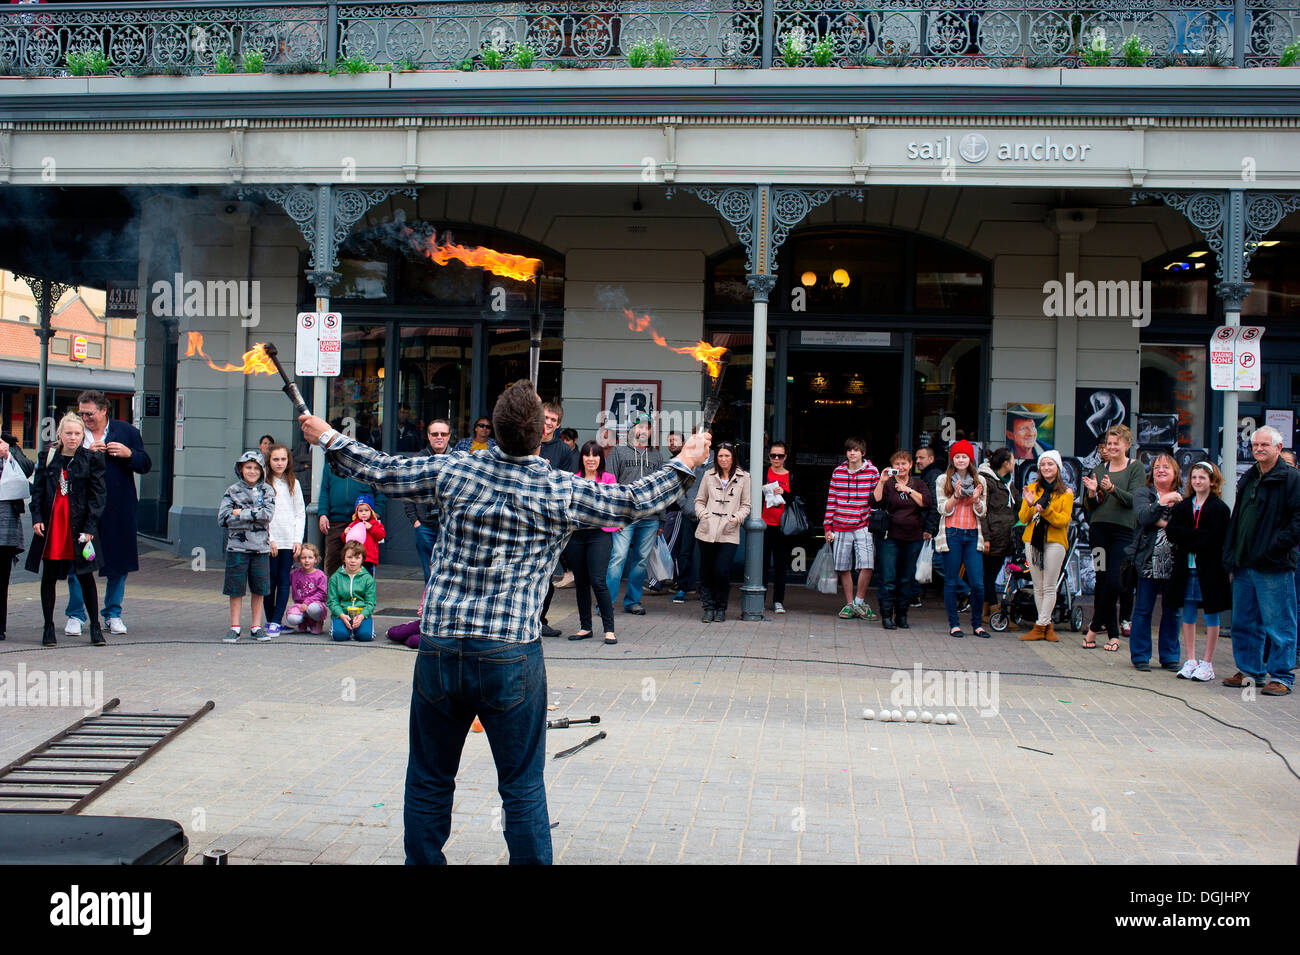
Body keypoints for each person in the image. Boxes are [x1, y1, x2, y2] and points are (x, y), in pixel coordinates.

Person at [298, 379, 710, 864]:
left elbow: (385, 470)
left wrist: (328, 436)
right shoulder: (560, 489)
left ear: (492, 429)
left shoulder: (456, 468)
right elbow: (634, 502)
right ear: (541, 437)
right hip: (509, 655)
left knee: (430, 778)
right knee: (521, 786)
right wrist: (686, 462)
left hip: (442, 647)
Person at [64, 390, 151, 638]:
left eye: (89, 413)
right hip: (83, 508)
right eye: (81, 413)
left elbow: (145, 464)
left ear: (104, 410)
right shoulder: (75, 432)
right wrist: (85, 453)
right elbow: (60, 461)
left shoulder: (127, 432)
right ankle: (76, 615)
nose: (85, 418)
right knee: (79, 563)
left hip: (119, 506)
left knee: (117, 563)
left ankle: (112, 614)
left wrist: (129, 454)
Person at [1221, 425, 1299, 696]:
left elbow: (1298, 522)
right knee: (1244, 622)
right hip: (1244, 564)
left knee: (1279, 624)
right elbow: (1238, 518)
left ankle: (1281, 676)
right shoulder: (1250, 477)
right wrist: (1230, 554)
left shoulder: (1291, 478)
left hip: (1273, 565)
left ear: (1279, 448)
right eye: (1255, 445)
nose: (1259, 448)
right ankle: (1250, 671)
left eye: (1265, 445)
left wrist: (1274, 548)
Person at [28, 413, 106, 648]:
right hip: (53, 526)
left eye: (77, 433)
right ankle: (48, 626)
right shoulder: (47, 457)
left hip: (79, 525)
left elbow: (98, 496)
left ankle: (95, 626)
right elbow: (38, 491)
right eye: (68, 433)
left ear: (83, 436)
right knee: (49, 576)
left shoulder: (91, 459)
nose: (73, 438)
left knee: (85, 575)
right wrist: (37, 518)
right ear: (60, 434)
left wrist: (91, 527)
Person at [1081, 424, 1145, 652]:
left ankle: (1096, 627)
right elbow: (1089, 505)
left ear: (1127, 445)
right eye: (1109, 443)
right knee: (1101, 578)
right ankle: (1111, 634)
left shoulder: (1135, 468)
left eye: (1116, 443)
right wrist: (1091, 493)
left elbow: (1134, 501)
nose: (1111, 447)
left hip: (1123, 532)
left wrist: (1111, 490)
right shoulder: (1098, 470)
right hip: (1099, 531)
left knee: (1114, 581)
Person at [1166, 462, 1231, 683]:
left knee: (1211, 613)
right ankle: (1191, 659)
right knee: (1188, 612)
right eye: (1194, 477)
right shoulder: (1183, 507)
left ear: (1212, 481)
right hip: (1186, 569)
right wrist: (1196, 536)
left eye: (1202, 477)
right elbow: (1173, 532)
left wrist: (1189, 537)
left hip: (1210, 569)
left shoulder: (1220, 509)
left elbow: (1214, 538)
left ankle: (1207, 662)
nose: (1197, 481)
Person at [1125, 453, 1183, 670]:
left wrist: (1161, 521)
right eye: (1157, 467)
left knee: (1172, 611)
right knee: (1143, 609)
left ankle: (1169, 656)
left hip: (1175, 561)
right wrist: (1162, 502)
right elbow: (1143, 517)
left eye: (1166, 467)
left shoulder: (1184, 495)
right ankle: (1140, 656)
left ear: (1175, 472)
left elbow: (1183, 524)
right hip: (1148, 559)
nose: (1160, 470)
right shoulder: (1144, 493)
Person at [605, 416, 666, 616]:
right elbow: (610, 484)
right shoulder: (618, 451)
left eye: (647, 428)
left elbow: (661, 489)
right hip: (625, 516)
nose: (642, 431)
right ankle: (607, 603)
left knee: (640, 561)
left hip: (650, 518)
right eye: (639, 427)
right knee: (617, 558)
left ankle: (632, 601)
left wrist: (661, 518)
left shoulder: (656, 456)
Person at [563, 441, 618, 644]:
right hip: (577, 536)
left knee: (598, 581)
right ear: (582, 458)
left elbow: (613, 504)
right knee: (581, 583)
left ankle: (609, 629)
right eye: (587, 455)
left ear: (601, 459)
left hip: (599, 535)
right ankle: (585, 627)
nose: (591, 459)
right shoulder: (573, 479)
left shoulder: (608, 479)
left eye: (595, 455)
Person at [872, 449, 932, 629]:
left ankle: (902, 614)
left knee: (906, 578)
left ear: (911, 465)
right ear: (892, 466)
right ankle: (886, 615)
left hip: (913, 538)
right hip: (889, 537)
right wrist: (881, 481)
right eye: (897, 464)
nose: (901, 467)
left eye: (904, 463)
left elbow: (927, 503)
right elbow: (875, 502)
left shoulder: (919, 484)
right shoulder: (888, 483)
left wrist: (908, 490)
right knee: (888, 577)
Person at [219, 450, 274, 643]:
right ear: (241, 469)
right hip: (237, 548)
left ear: (262, 471)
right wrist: (253, 515)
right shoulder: (231, 491)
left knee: (259, 589)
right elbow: (224, 518)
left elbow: (267, 515)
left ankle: (256, 626)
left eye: (256, 468)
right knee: (235, 589)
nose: (252, 471)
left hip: (261, 548)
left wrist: (240, 512)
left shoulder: (268, 490)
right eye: (248, 467)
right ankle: (234, 627)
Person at [1018, 450, 1073, 642]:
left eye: (1050, 464)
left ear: (1057, 468)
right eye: (1043, 465)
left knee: (1050, 586)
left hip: (1055, 542)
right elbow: (1023, 518)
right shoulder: (1032, 488)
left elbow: (1062, 521)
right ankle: (1047, 626)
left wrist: (1045, 510)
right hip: (1033, 541)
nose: (1046, 468)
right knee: (1038, 586)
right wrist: (1030, 504)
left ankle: (1039, 626)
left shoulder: (1066, 493)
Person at [935, 439, 988, 637]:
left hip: (973, 534)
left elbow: (982, 512)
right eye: (957, 456)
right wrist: (956, 497)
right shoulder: (943, 480)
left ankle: (977, 624)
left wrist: (975, 500)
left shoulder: (980, 481)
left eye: (964, 456)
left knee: (977, 583)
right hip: (952, 533)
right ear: (952, 459)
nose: (960, 460)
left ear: (970, 459)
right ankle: (954, 625)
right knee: (950, 580)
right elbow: (942, 509)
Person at [694, 441, 750, 623]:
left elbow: (746, 505)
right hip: (707, 530)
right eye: (720, 456)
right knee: (707, 571)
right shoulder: (708, 475)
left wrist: (736, 518)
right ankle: (708, 607)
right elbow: (699, 500)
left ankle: (721, 607)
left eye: (727, 456)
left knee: (722, 571)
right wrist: (704, 516)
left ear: (733, 457)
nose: (723, 459)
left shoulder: (744, 477)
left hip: (729, 530)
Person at [825, 436, 880, 621]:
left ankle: (858, 601)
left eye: (856, 450)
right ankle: (850, 604)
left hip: (863, 524)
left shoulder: (872, 472)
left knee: (867, 564)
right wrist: (827, 526)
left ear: (863, 453)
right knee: (843, 567)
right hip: (840, 525)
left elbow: (876, 500)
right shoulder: (838, 472)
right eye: (849, 450)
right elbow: (832, 499)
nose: (852, 453)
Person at [537, 402, 580, 636]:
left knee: (547, 575)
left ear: (559, 424)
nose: (548, 423)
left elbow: (568, 483)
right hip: (524, 518)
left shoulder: (563, 451)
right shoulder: (526, 443)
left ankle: (540, 619)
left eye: (553, 420)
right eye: (545, 418)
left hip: (549, 522)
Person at [318, 460, 386, 577]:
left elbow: (381, 490)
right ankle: (334, 593)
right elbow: (325, 490)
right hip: (335, 522)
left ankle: (360, 593)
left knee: (362, 562)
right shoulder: (331, 465)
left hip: (363, 523)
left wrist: (376, 513)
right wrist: (323, 513)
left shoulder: (368, 465)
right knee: (333, 561)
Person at [264, 443, 305, 636]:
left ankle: (276, 621)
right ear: (269, 461)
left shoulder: (293, 483)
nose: (279, 463)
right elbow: (263, 515)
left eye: (283, 459)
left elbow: (300, 513)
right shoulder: (264, 483)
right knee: (268, 581)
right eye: (275, 459)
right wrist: (269, 539)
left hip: (288, 541)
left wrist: (297, 539)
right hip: (270, 542)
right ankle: (270, 619)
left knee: (283, 581)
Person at [404, 419, 450, 584]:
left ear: (449, 436)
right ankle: (429, 606)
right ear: (428, 437)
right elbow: (407, 492)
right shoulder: (417, 460)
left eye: (443, 434)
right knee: (429, 570)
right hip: (425, 526)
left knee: (449, 571)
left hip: (449, 527)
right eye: (435, 434)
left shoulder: (456, 460)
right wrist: (415, 521)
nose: (439, 437)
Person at [978, 448, 1020, 623]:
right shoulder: (987, 481)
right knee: (988, 575)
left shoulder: (1008, 482)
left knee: (991, 574)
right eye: (1012, 460)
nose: (1015, 463)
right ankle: (996, 614)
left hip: (1005, 536)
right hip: (993, 536)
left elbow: (1019, 504)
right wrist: (985, 538)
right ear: (1005, 463)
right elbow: (982, 512)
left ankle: (985, 612)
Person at [0, 431, 34, 641]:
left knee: (2, 578)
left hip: (5, 525)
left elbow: (28, 469)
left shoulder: (9, 447)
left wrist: (7, 454)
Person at [761, 440, 796, 614]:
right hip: (764, 524)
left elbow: (797, 500)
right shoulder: (763, 473)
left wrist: (785, 493)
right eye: (773, 455)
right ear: (769, 456)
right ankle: (759, 598)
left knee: (780, 566)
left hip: (783, 527)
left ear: (785, 457)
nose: (776, 458)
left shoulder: (790, 476)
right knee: (762, 564)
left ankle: (778, 601)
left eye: (779, 456)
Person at [328, 540, 377, 642]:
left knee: (365, 636)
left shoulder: (368, 579)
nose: (353, 561)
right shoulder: (335, 578)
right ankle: (342, 627)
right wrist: (341, 615)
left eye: (357, 557)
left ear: (362, 559)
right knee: (339, 636)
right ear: (344, 558)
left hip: (361, 614)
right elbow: (332, 601)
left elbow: (370, 602)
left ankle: (362, 627)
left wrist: (362, 616)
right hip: (342, 613)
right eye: (349, 557)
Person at [285, 542, 328, 634]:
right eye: (303, 558)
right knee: (292, 618)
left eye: (310, 558)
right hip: (300, 605)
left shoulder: (320, 575)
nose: (307, 561)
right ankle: (304, 620)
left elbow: (322, 593)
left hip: (315, 604)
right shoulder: (294, 573)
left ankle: (316, 621)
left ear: (315, 559)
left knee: (313, 609)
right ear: (299, 559)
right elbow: (285, 584)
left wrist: (307, 602)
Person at [344, 493, 386, 577]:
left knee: (369, 579)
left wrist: (371, 528)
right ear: (356, 512)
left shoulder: (375, 524)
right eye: (360, 511)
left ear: (371, 511)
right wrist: (345, 533)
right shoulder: (353, 524)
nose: (363, 513)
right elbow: (346, 540)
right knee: (356, 578)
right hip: (355, 558)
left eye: (366, 510)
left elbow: (381, 535)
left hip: (369, 559)